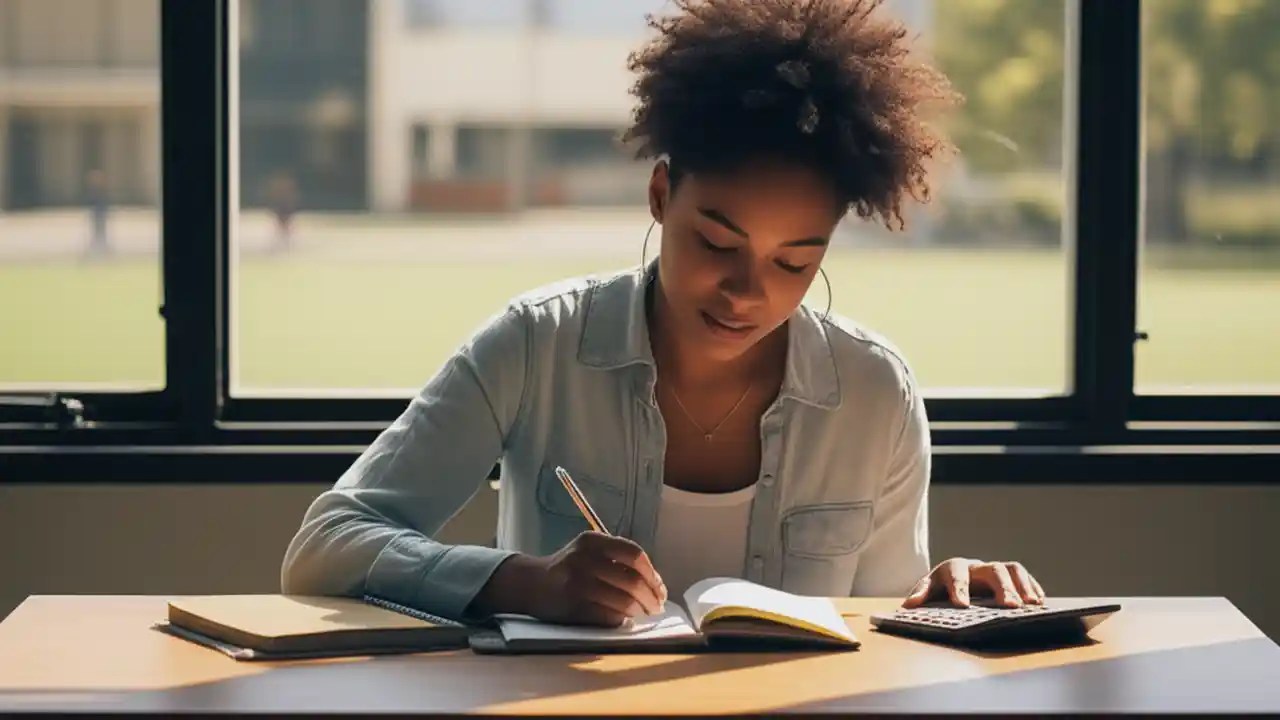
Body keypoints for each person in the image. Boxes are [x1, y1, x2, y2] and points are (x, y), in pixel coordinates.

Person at [282, 0, 1047, 627]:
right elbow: (324, 544)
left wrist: (944, 597)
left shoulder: (875, 394)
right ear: (659, 195)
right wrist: (521, 582)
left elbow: (879, 628)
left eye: (794, 263)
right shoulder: (535, 345)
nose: (748, 292)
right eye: (717, 242)